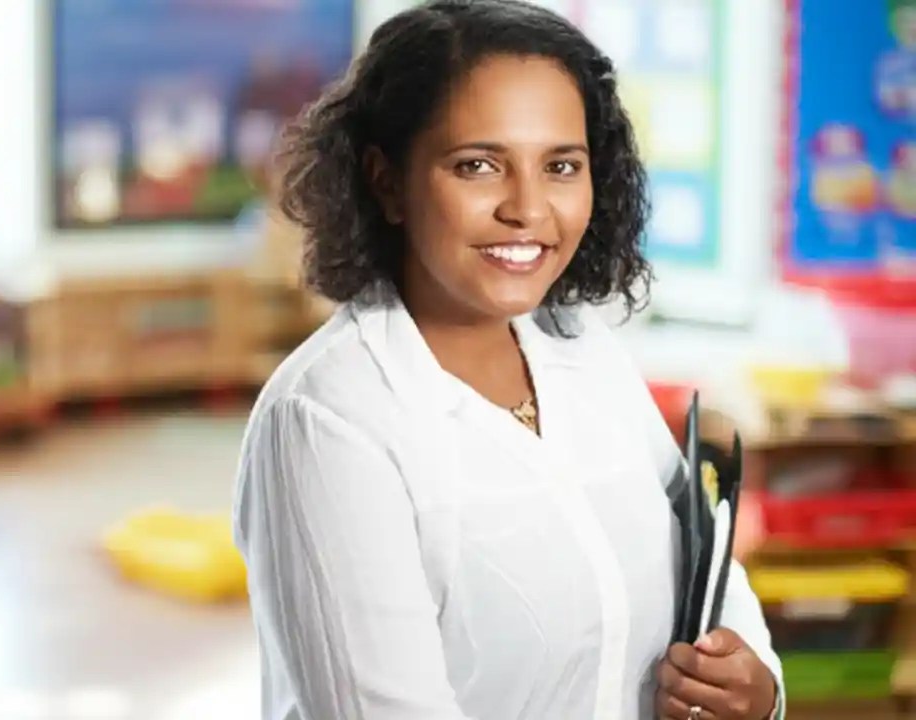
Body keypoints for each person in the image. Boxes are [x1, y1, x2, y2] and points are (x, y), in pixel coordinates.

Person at [231, 2, 783, 719]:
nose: (528, 208)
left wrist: (756, 686)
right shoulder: (328, 419)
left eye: (561, 165)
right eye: (479, 165)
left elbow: (704, 566)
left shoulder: (583, 348)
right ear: (388, 181)